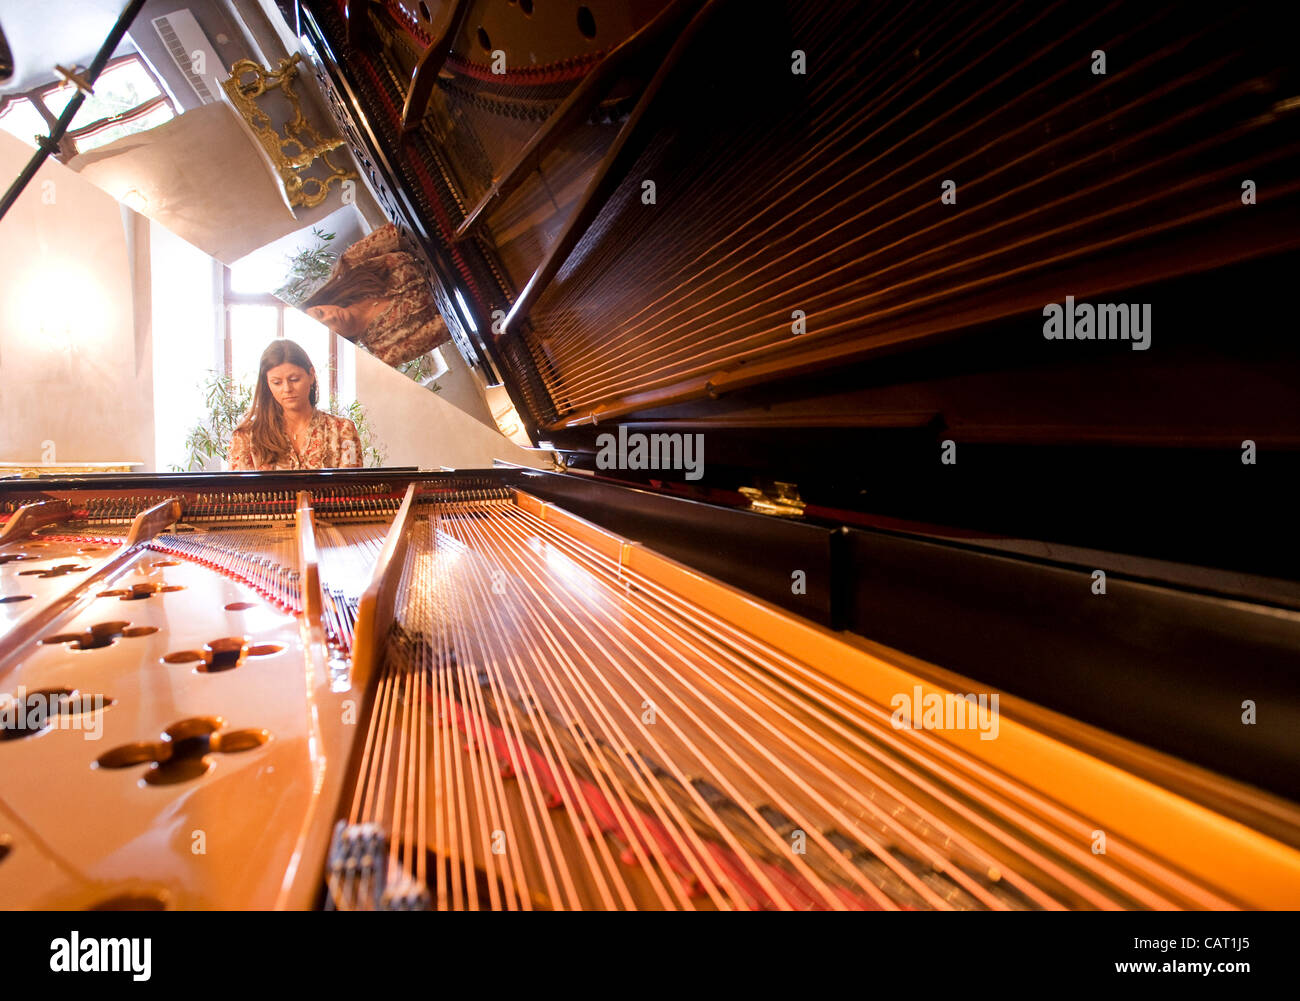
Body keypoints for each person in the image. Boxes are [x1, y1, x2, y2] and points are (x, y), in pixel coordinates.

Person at [302, 222, 450, 366]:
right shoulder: (387, 352)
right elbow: (447, 325)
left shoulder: (350, 263)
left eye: (320, 313)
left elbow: (402, 230)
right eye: (327, 328)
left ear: (318, 304)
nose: (331, 316)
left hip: (440, 232)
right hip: (463, 275)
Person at [228, 339, 363, 470]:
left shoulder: (342, 431)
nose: (287, 388)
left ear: (311, 375)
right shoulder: (246, 437)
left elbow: (351, 488)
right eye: (277, 382)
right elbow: (240, 492)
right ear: (267, 384)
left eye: (294, 379)